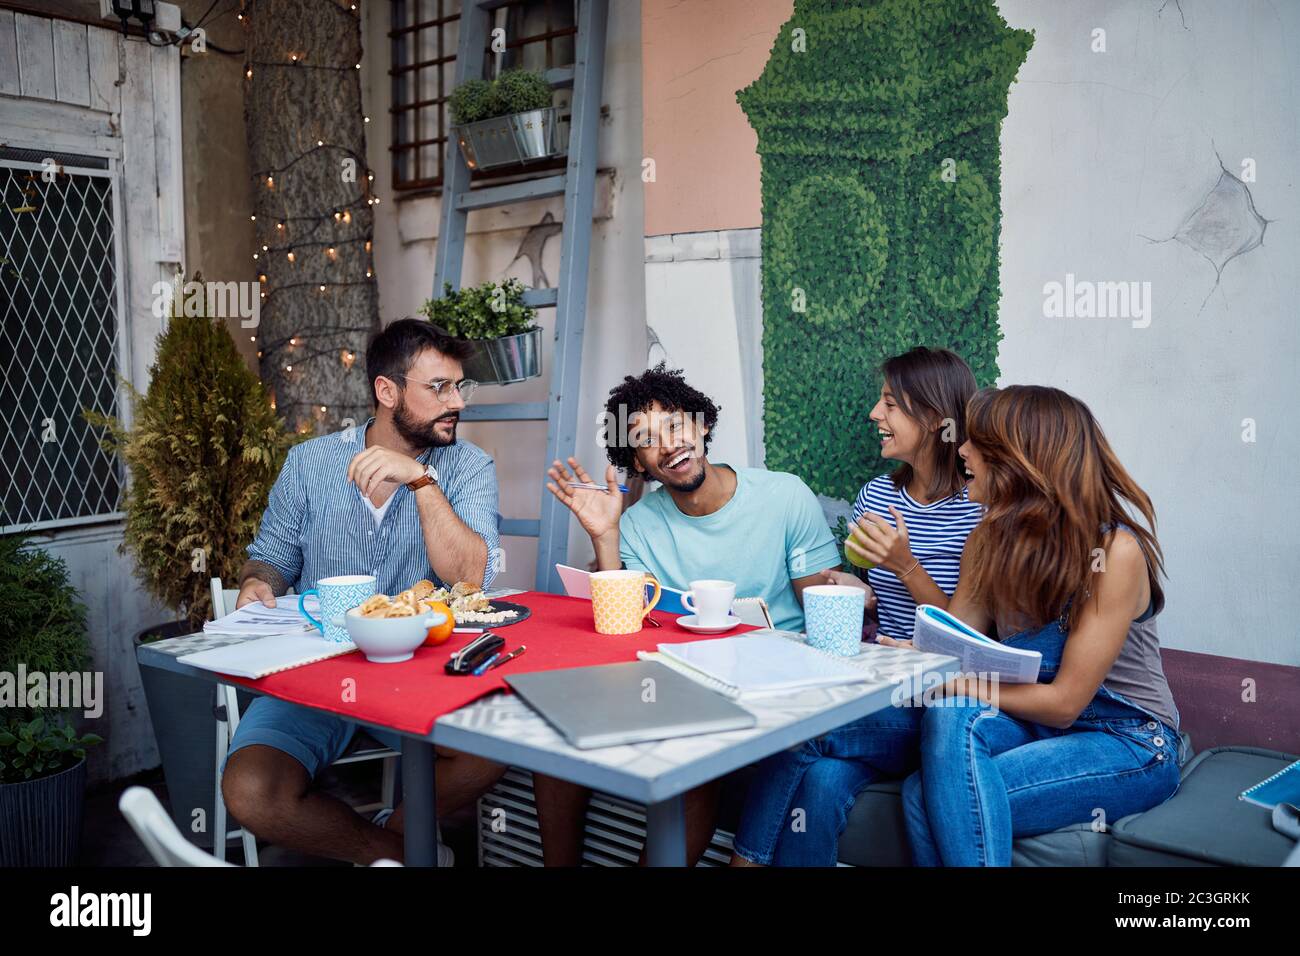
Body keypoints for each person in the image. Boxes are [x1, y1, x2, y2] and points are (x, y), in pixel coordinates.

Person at [221, 319, 506, 866]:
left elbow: (471, 577)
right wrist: (259, 582)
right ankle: (400, 853)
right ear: (387, 391)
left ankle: (400, 839)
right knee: (251, 792)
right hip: (316, 670)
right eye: (439, 388)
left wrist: (421, 482)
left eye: (458, 387)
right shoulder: (310, 463)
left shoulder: (468, 466)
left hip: (420, 674)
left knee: (488, 755)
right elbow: (273, 555)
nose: (456, 404)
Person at [534, 363, 843, 865]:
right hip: (678, 682)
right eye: (646, 439)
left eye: (675, 425)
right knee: (558, 728)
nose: (669, 445)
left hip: (774, 687)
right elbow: (623, 632)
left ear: (701, 425)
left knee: (691, 751)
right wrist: (605, 537)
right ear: (636, 460)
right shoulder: (635, 525)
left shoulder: (784, 495)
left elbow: (825, 613)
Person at [901, 385, 1181, 866]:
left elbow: (1066, 704)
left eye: (977, 442)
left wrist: (959, 682)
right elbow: (955, 641)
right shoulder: (987, 538)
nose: (961, 450)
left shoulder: (1115, 552)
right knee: (940, 739)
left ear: (1022, 458)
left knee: (932, 796)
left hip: (1128, 738)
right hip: (1035, 722)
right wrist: (904, 652)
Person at [730, 346, 983, 866]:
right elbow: (883, 607)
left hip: (940, 701)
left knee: (798, 732)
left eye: (890, 403)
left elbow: (965, 635)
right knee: (821, 784)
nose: (875, 414)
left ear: (935, 417)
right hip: (878, 686)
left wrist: (905, 565)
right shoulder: (875, 497)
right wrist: (858, 592)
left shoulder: (979, 505)